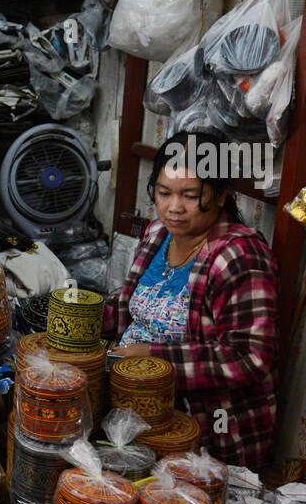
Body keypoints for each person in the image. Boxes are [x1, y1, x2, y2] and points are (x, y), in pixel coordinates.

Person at [104, 131, 280, 469]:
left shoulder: (239, 256)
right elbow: (132, 309)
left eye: (189, 195)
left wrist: (153, 358)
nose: (174, 208)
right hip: (131, 393)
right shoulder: (158, 233)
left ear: (220, 194)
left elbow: (249, 357)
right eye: (164, 192)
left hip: (201, 420)